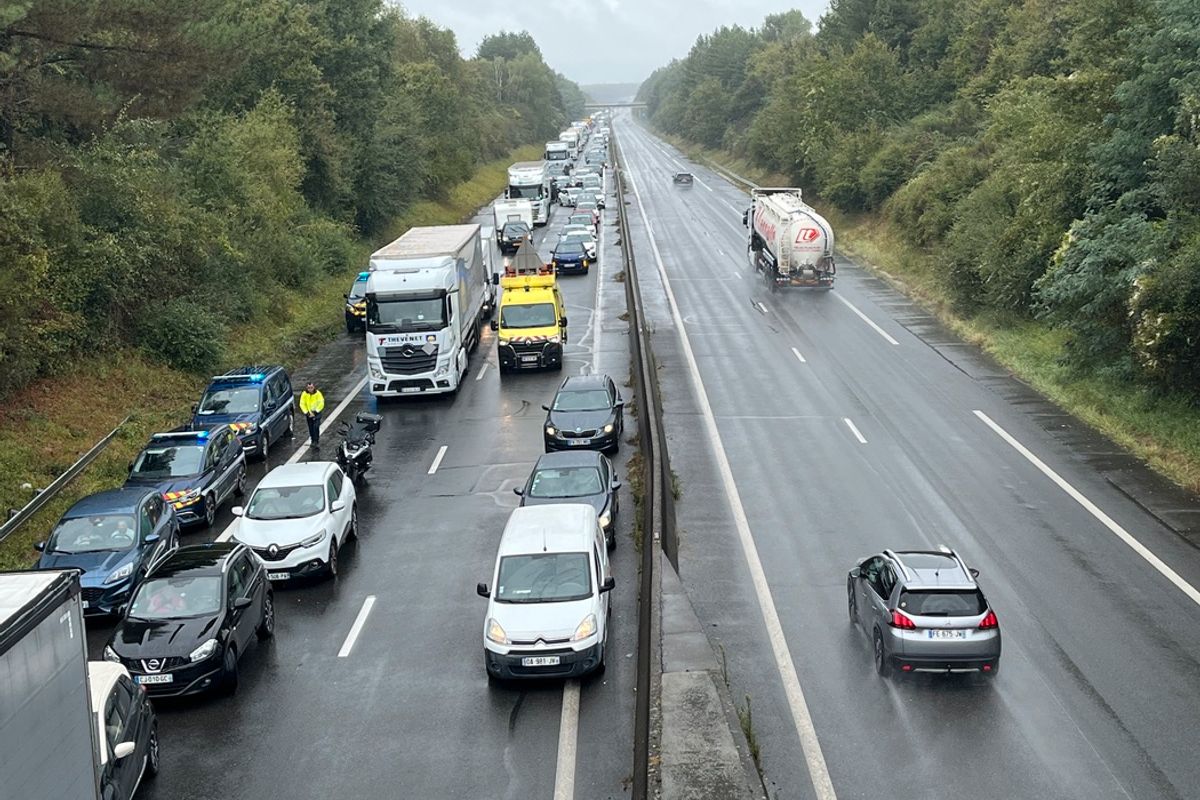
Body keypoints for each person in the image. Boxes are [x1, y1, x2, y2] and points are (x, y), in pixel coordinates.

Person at [299, 382, 325, 449]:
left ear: (314, 387)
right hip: (309, 414)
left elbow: (321, 403)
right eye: (309, 388)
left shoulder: (318, 394)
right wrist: (307, 413)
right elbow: (302, 404)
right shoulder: (304, 394)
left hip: (316, 413)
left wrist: (315, 412)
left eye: (311, 388)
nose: (310, 389)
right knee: (311, 428)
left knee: (316, 427)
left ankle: (316, 441)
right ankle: (312, 440)